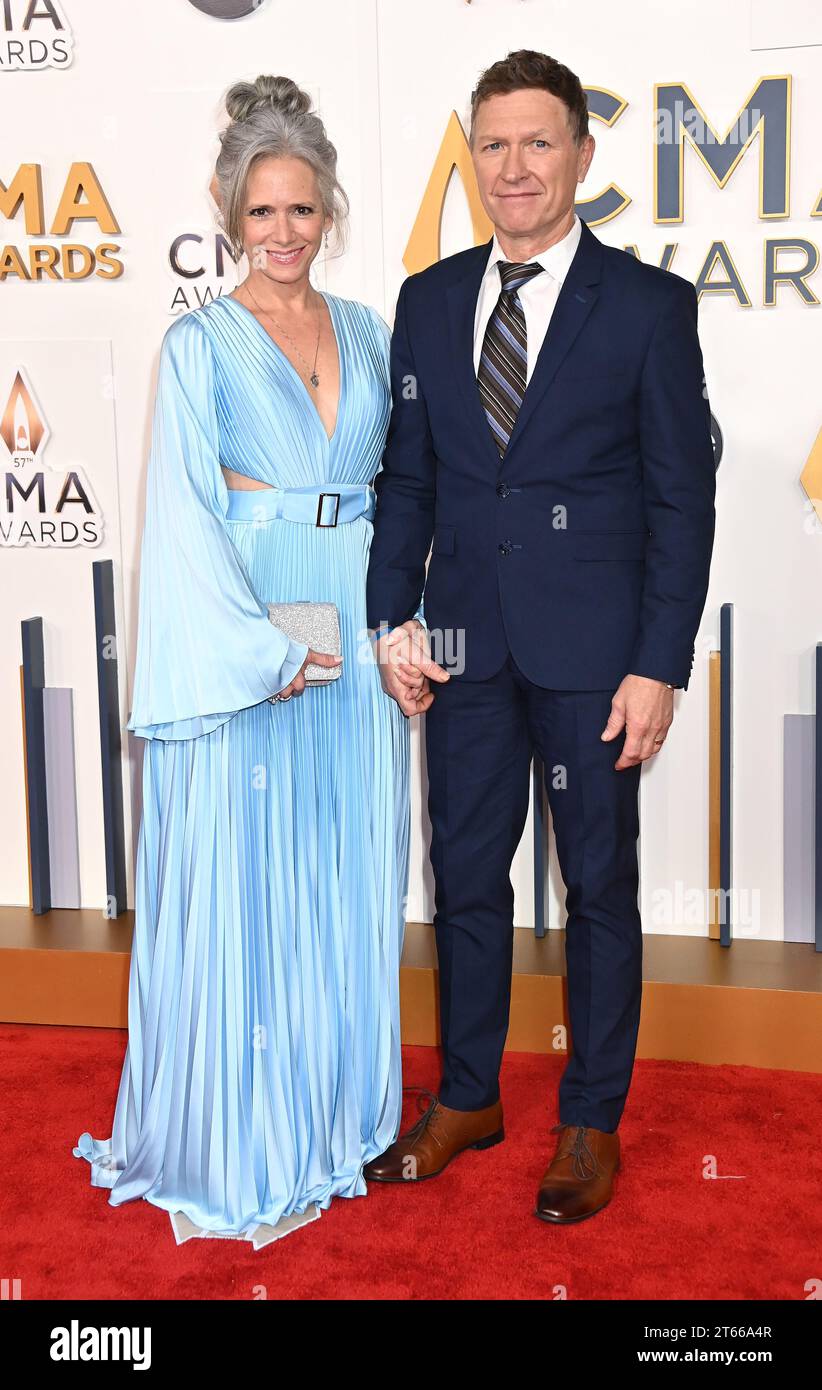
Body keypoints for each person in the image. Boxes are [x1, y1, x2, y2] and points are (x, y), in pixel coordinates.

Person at [72, 73, 434, 1247]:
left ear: (330, 209)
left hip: (354, 623)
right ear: (230, 212)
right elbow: (182, 519)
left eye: (305, 210)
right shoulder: (197, 344)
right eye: (263, 212)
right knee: (242, 880)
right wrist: (258, 648)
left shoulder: (374, 332)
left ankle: (333, 1114)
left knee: (341, 874)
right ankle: (238, 1133)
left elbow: (406, 492)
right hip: (250, 633)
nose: (285, 233)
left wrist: (399, 624)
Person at [364, 50, 716, 1223]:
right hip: (460, 644)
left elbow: (682, 499)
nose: (514, 167)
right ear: (474, 159)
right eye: (494, 144)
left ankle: (590, 1121)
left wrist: (660, 661)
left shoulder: (651, 308)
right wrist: (390, 620)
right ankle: (468, 1096)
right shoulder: (428, 298)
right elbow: (404, 481)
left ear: (580, 155)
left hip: (596, 656)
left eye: (538, 142)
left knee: (598, 889)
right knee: (464, 876)